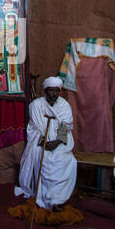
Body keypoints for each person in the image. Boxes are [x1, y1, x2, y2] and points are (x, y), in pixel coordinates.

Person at [15, 76, 77, 212]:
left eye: (56, 91)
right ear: (45, 91)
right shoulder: (36, 105)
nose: (54, 94)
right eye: (51, 91)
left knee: (67, 161)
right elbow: (34, 129)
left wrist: (57, 142)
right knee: (45, 160)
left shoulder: (64, 105)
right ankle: (46, 198)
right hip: (41, 141)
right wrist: (44, 141)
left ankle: (57, 199)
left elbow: (65, 127)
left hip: (59, 142)